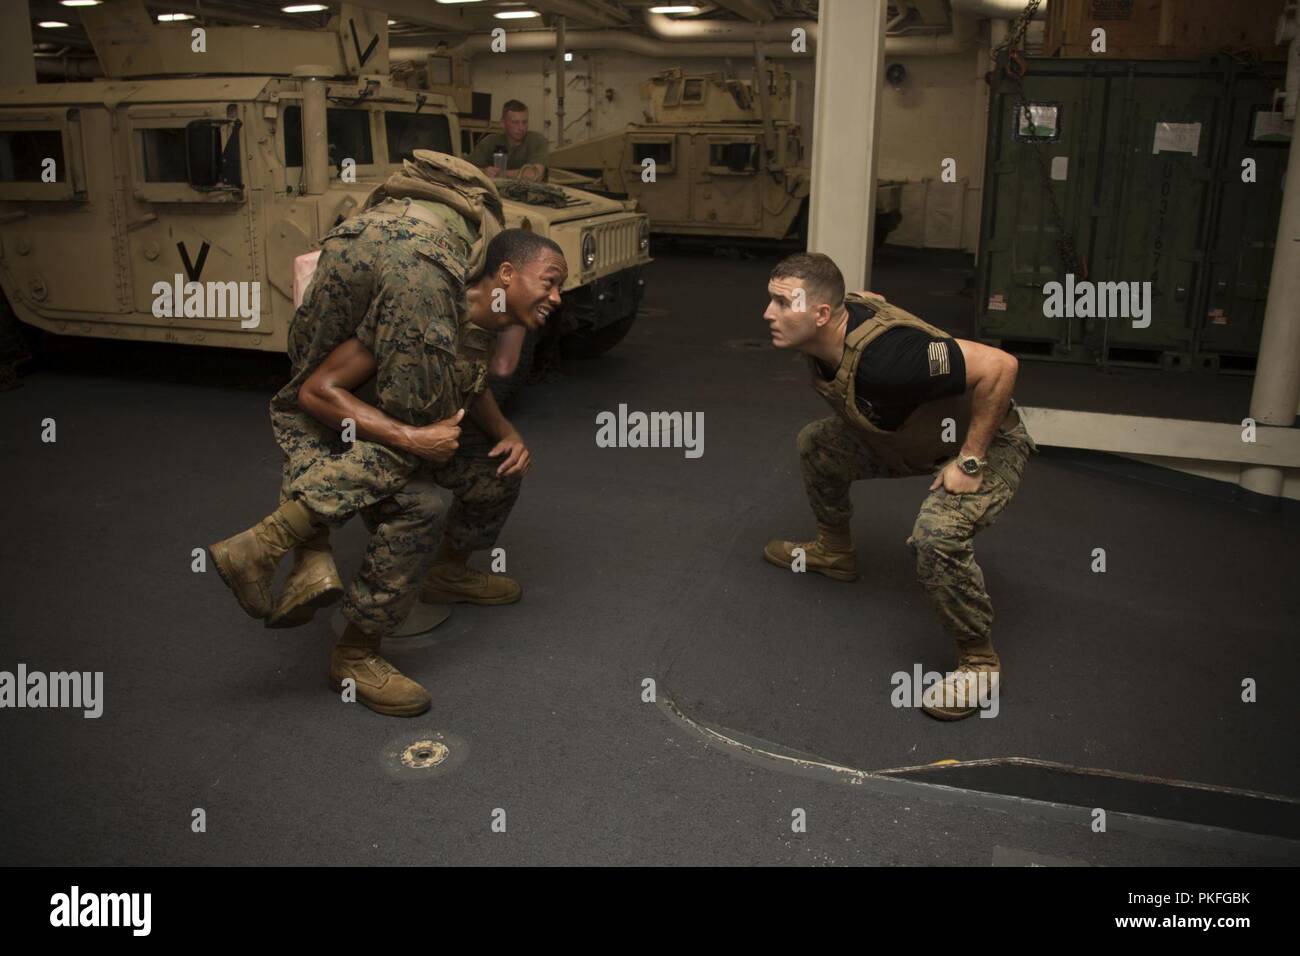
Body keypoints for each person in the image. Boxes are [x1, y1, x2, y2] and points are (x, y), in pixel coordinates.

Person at [209, 153, 566, 717]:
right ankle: (353, 652)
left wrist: (507, 432)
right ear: (504, 274)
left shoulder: (487, 323)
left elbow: (471, 386)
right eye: (549, 283)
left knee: (496, 469)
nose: (557, 297)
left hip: (410, 438)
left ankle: (446, 572)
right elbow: (317, 391)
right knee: (424, 504)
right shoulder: (420, 300)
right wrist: (412, 439)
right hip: (359, 443)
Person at [760, 253, 1037, 720]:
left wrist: (970, 461)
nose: (768, 314)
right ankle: (834, 551)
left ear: (822, 315)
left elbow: (1001, 365)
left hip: (983, 443)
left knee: (936, 536)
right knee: (818, 444)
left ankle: (979, 662)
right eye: (771, 300)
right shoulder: (838, 315)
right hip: (912, 436)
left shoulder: (894, 360)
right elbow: (870, 299)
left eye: (783, 304)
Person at [468, 99, 549, 182]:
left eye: (524, 122)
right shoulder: (489, 142)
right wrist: (484, 172)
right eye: (515, 122)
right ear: (503, 123)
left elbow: (535, 175)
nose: (521, 128)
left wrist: (500, 174)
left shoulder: (536, 140)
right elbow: (465, 169)